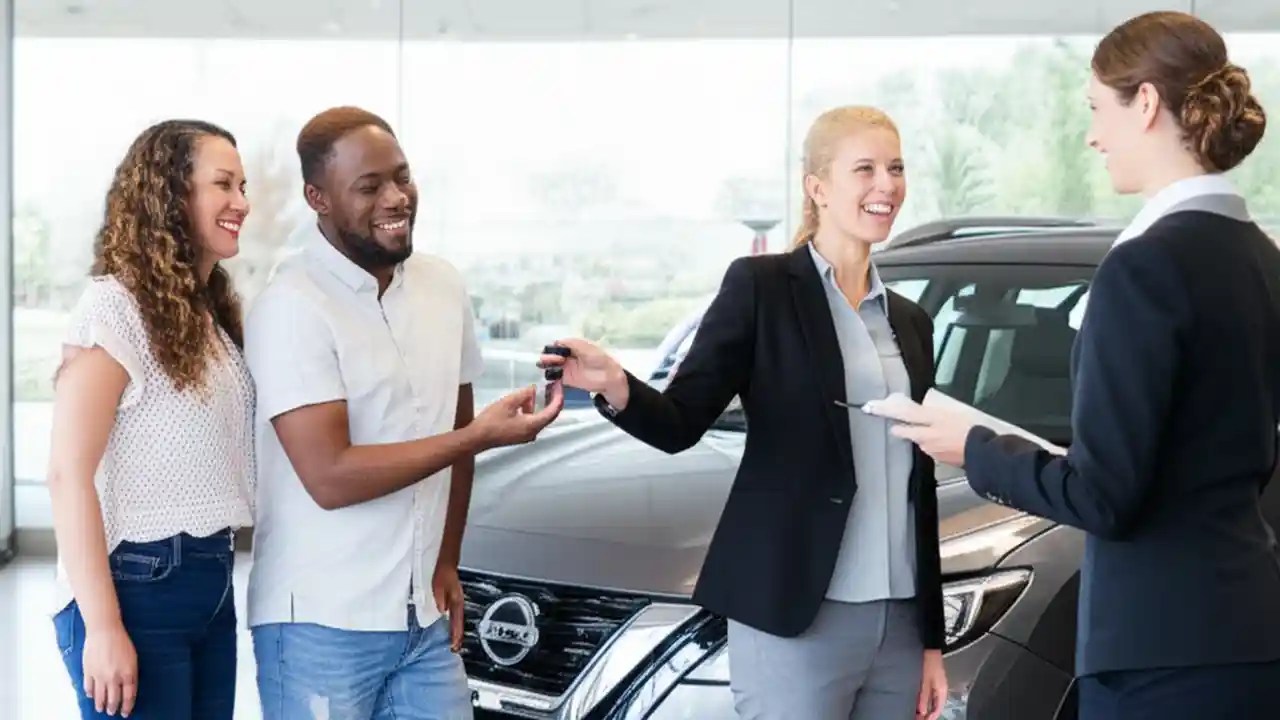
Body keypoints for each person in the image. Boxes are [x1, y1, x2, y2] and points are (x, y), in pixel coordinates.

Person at [880, 11, 1278, 720]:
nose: (1093, 135)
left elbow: (1104, 497)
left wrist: (970, 446)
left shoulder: (1145, 267)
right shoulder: (1259, 258)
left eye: (1098, 108)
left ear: (1147, 104)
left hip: (1158, 649)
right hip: (1246, 629)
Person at [540, 106, 948, 720]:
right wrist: (615, 383)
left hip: (899, 622)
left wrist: (933, 641)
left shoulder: (910, 322)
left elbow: (922, 485)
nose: (886, 185)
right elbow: (681, 420)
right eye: (864, 168)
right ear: (817, 187)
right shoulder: (762, 288)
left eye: (894, 168)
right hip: (797, 609)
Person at [243, 106, 562, 720]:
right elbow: (330, 476)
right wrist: (476, 437)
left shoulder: (444, 286)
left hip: (425, 620)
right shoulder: (291, 307)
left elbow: (458, 434)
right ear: (319, 198)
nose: (396, 197)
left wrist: (446, 559)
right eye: (369, 187)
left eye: (402, 177)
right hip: (318, 624)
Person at [47, 119, 255, 719]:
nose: (241, 202)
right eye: (224, 184)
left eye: (243, 186)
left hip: (209, 581)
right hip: (135, 587)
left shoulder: (206, 316)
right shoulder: (114, 306)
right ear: (171, 194)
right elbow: (67, 474)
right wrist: (104, 628)